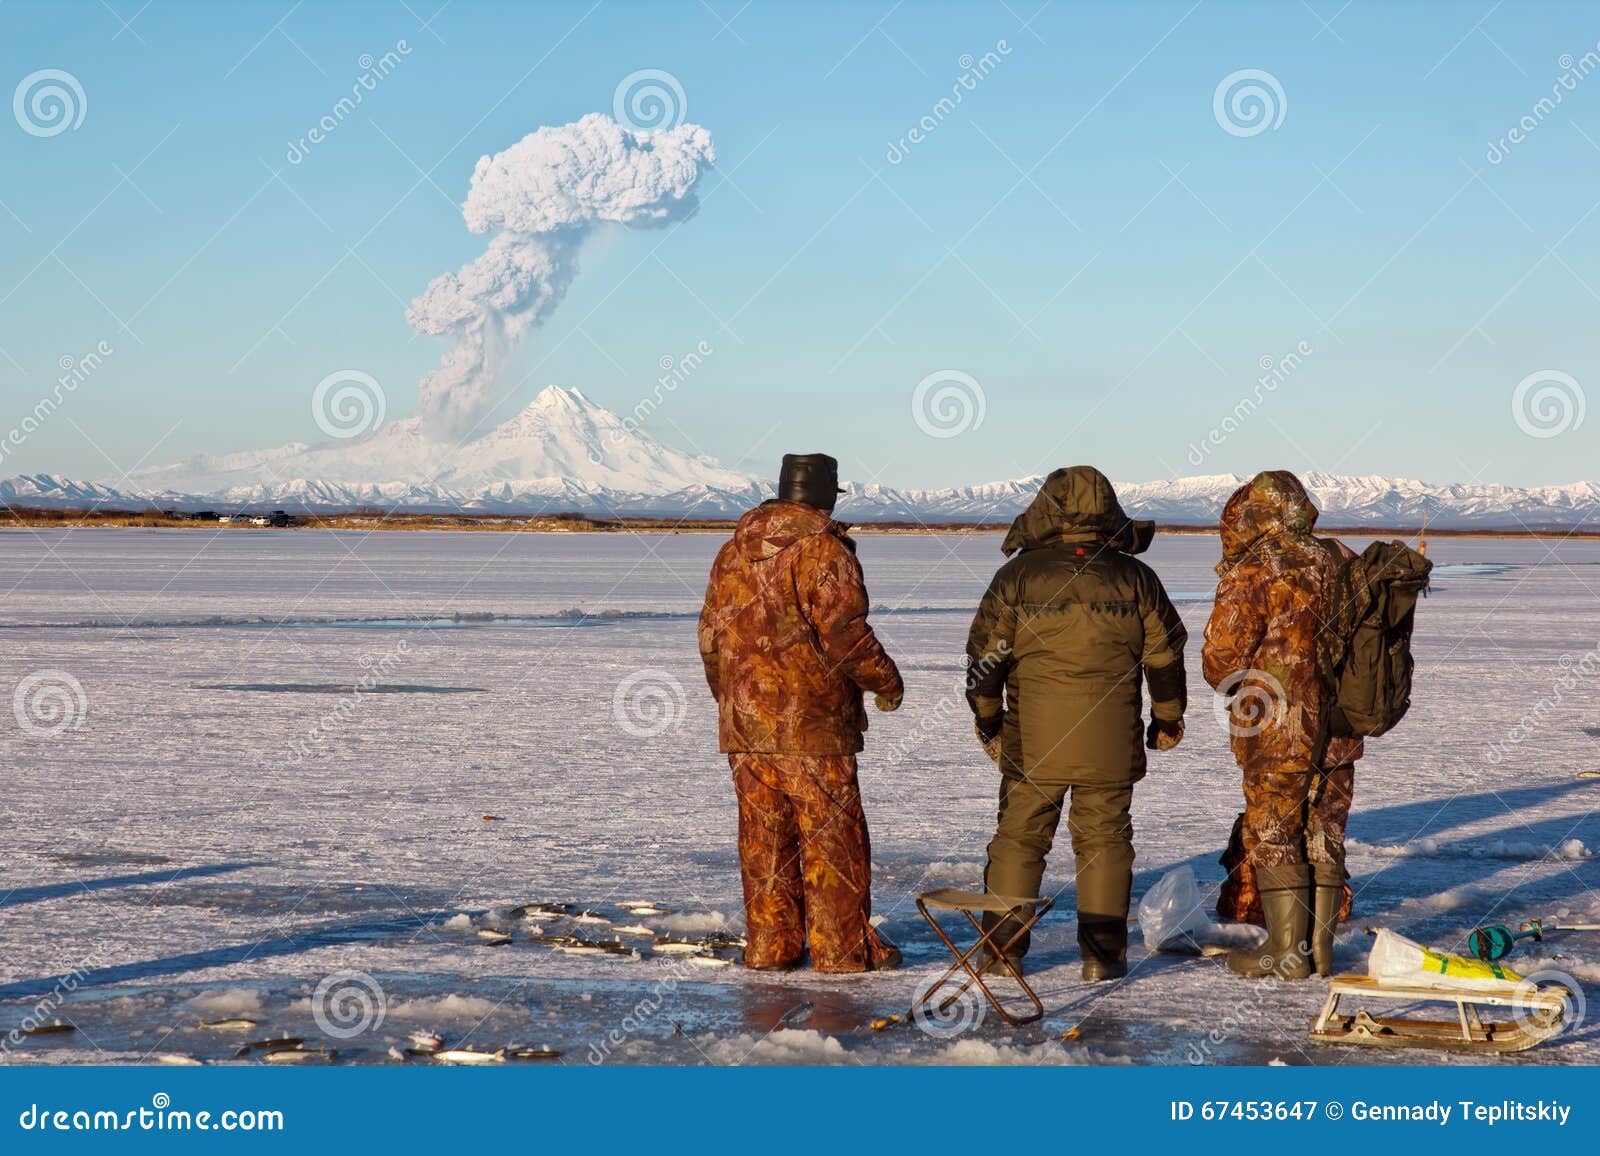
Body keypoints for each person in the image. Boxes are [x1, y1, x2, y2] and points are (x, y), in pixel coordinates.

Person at [965, 466, 1188, 981]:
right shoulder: (1135, 577)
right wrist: (1167, 719)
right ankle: (1101, 958)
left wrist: (988, 718)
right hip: (1110, 742)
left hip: (1034, 741)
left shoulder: (1018, 577)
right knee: (1105, 841)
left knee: (1020, 838)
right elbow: (1163, 657)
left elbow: (986, 659)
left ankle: (1002, 954)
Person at [697, 452, 905, 973]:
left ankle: (772, 947)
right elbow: (843, 633)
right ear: (826, 493)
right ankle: (840, 951)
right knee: (832, 837)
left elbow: (709, 639)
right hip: (812, 727)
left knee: (764, 838)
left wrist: (731, 699)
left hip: (746, 728)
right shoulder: (823, 552)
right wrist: (885, 680)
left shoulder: (731, 554)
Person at [1202, 470, 1362, 980]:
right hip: (1342, 723)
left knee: (1275, 824)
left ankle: (1286, 951)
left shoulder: (1254, 570)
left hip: (1277, 725)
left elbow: (1222, 660)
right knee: (1325, 826)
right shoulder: (1343, 560)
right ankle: (1321, 949)